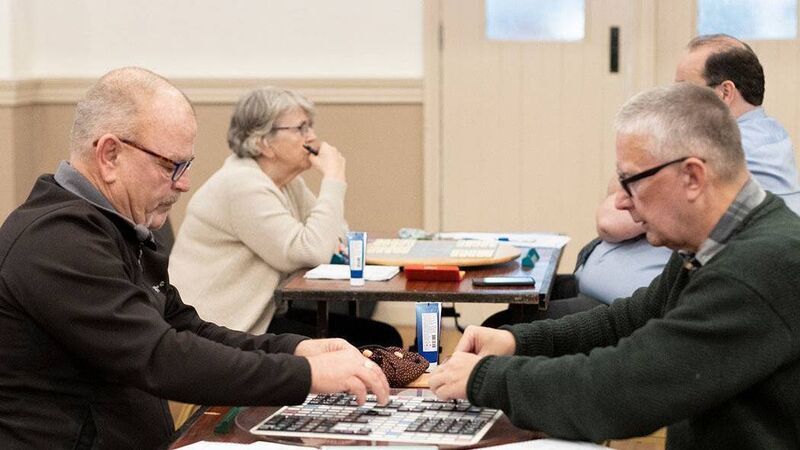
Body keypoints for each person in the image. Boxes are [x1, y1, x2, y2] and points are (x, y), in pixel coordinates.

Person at [0, 67, 389, 449]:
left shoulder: (112, 226)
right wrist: (304, 374)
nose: (183, 182)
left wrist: (293, 349)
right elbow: (160, 356)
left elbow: (185, 327)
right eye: (171, 165)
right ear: (109, 155)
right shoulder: (58, 240)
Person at [430, 83, 800, 448]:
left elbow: (625, 390)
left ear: (692, 176)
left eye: (632, 182)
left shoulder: (758, 267)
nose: (621, 202)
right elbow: (627, 321)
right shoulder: (714, 244)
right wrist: (517, 341)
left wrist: (488, 378)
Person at [483, 34, 800, 325]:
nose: (675, 101)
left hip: (639, 308)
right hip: (618, 297)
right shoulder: (739, 137)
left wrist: (627, 188)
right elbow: (622, 192)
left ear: (725, 92)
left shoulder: (738, 152)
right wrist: (634, 179)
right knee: (514, 313)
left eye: (683, 89)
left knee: (504, 328)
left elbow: (612, 221)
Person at [169, 86, 401, 347]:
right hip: (221, 333)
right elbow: (312, 252)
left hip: (260, 318)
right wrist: (334, 178)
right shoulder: (242, 185)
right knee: (377, 341)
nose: (312, 138)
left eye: (310, 126)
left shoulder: (285, 182)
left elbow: (336, 238)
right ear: (264, 143)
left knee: (381, 337)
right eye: (301, 128)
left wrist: (330, 208)